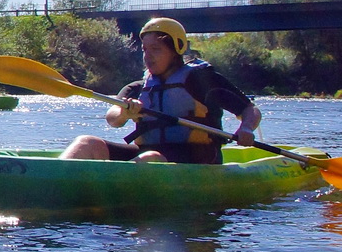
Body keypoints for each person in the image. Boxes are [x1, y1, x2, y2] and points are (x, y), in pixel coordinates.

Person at [62, 17, 261, 164]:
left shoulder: (202, 81)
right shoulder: (138, 87)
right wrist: (125, 112)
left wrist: (245, 129)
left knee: (150, 158)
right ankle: (55, 186)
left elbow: (249, 110)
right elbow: (112, 118)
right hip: (147, 155)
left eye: (156, 49)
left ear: (176, 50)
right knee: (86, 143)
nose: (148, 56)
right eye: (145, 49)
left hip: (196, 159)